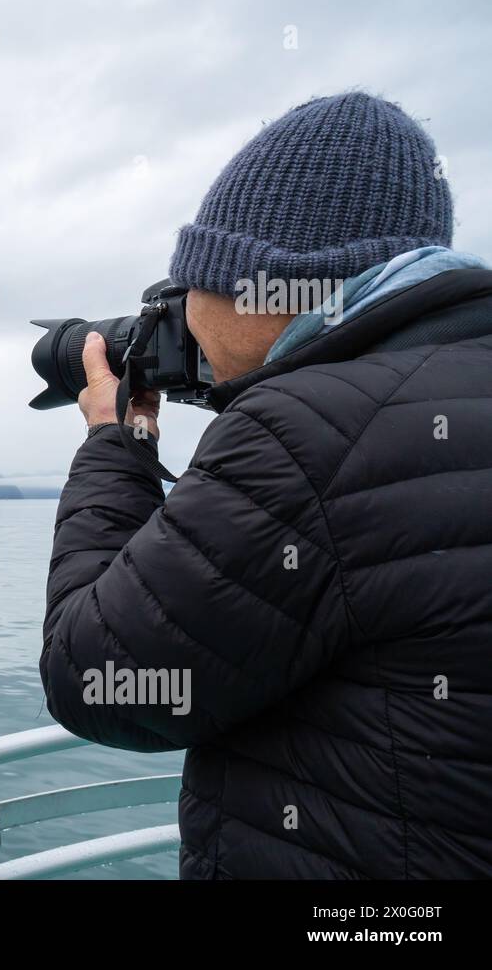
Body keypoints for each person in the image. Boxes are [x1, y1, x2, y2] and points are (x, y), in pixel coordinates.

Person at [39, 91, 492, 878]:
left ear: (270, 287)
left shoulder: (307, 431)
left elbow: (97, 674)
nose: (184, 309)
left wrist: (119, 436)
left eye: (195, 283)